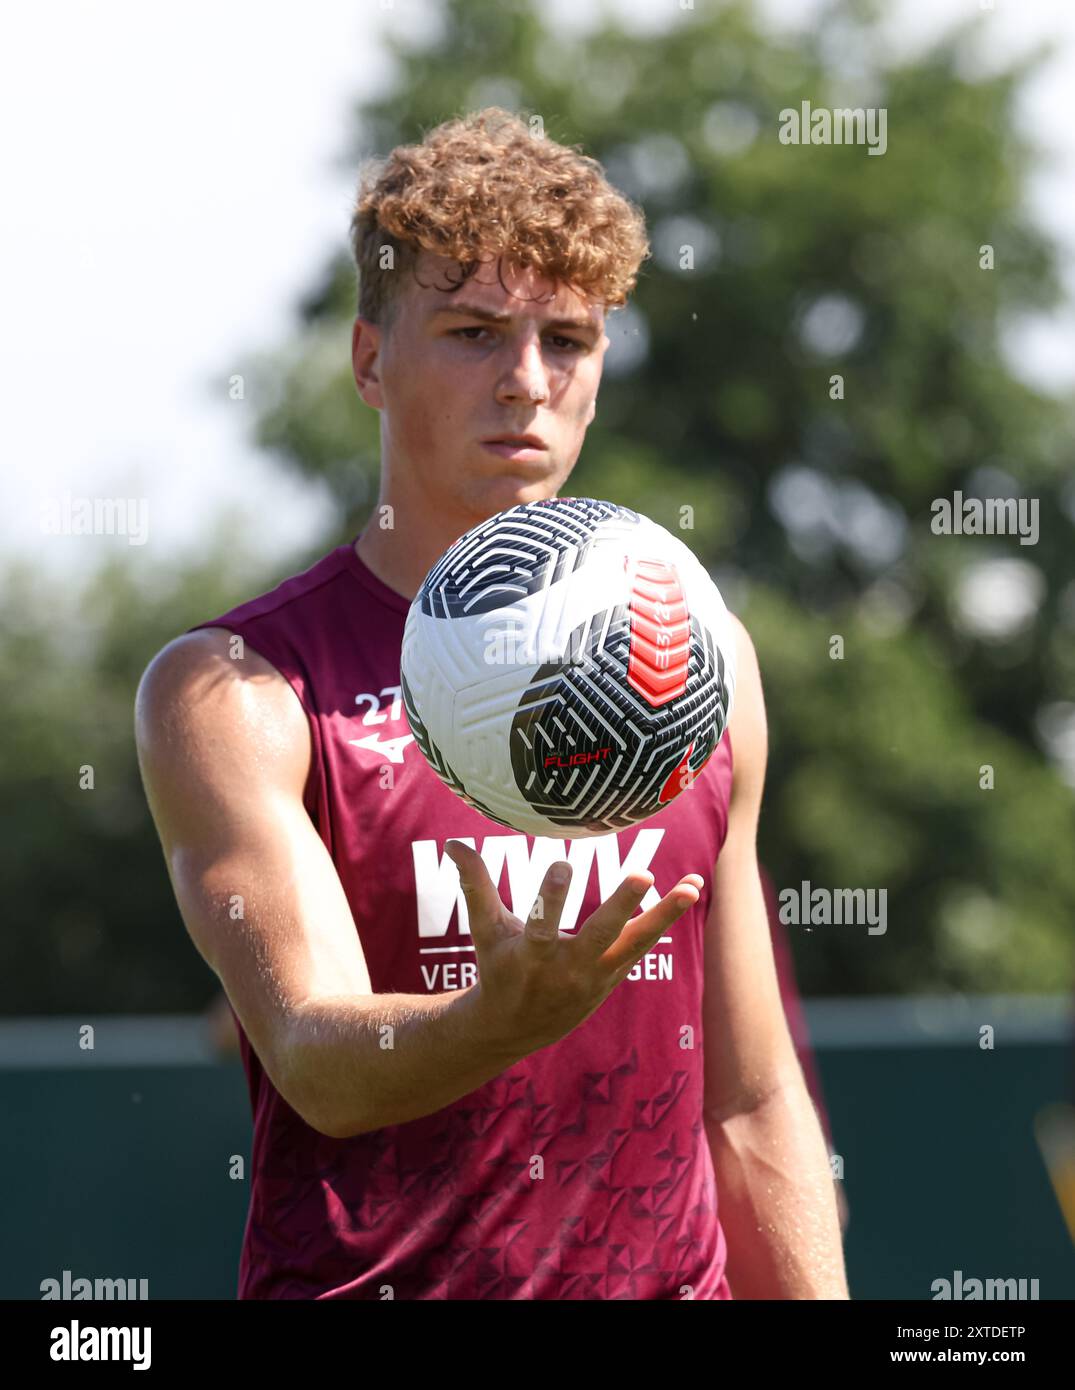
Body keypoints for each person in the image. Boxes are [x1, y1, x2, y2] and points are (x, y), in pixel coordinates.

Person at [135, 107, 848, 1300]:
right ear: (370, 359)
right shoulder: (242, 688)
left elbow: (749, 1096)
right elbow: (319, 1055)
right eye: (473, 332)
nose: (526, 380)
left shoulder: (700, 658)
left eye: (566, 339)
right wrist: (502, 1015)